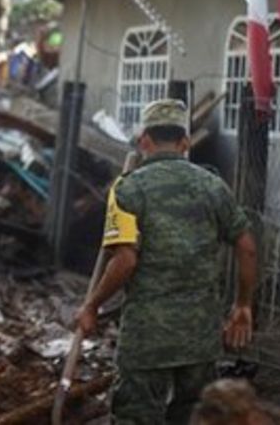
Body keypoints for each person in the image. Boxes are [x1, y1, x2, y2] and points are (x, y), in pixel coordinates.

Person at [72, 98, 258, 425]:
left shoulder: (129, 189)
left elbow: (125, 261)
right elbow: (247, 247)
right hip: (200, 337)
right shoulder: (213, 186)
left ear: (144, 141)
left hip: (147, 338)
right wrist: (242, 305)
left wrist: (92, 305)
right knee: (193, 415)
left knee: (135, 417)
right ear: (185, 143)